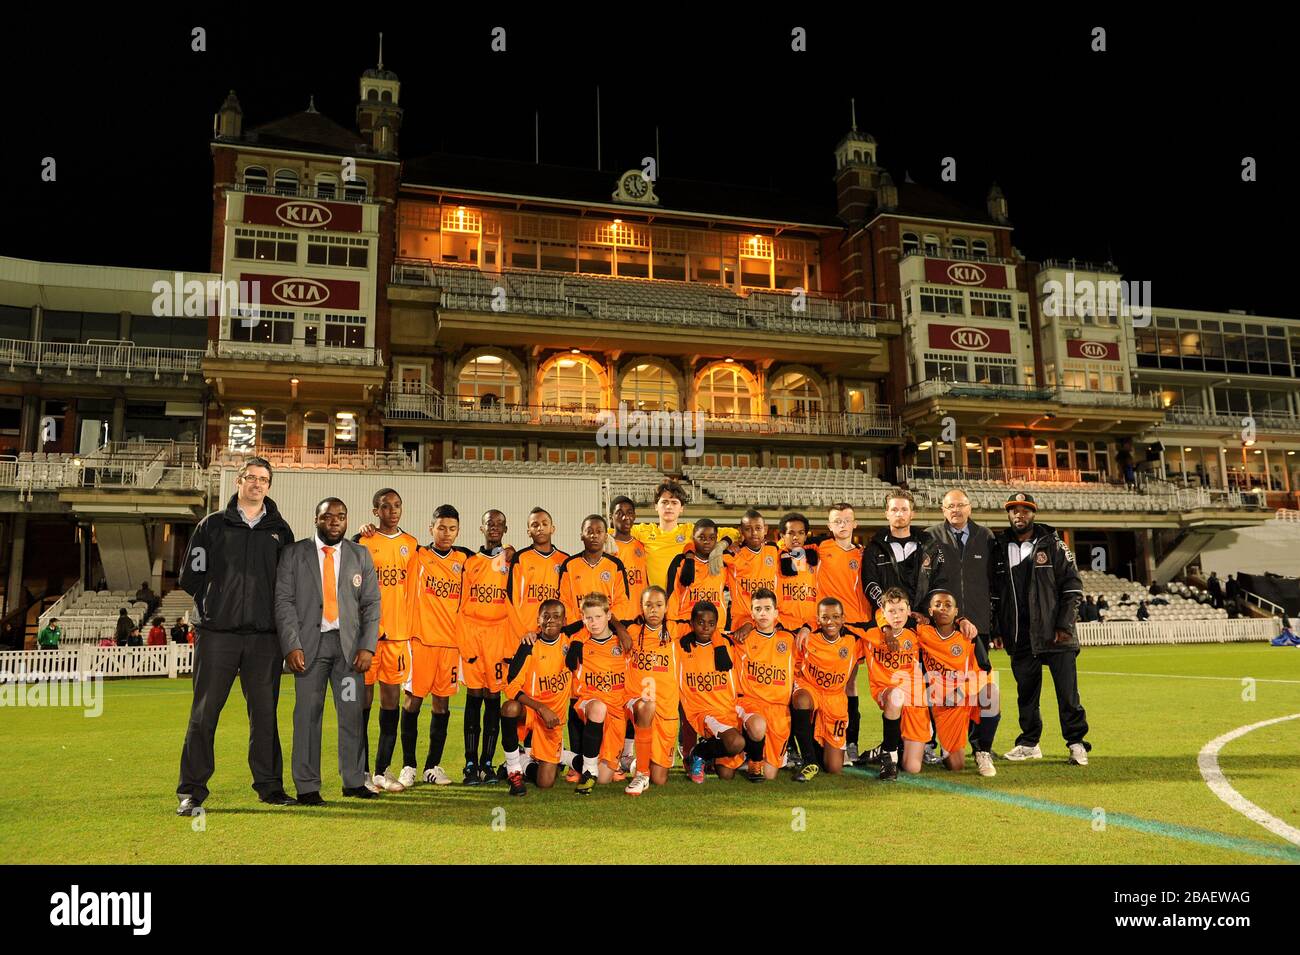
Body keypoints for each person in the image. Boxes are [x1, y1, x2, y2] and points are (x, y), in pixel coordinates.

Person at [176, 456, 295, 816]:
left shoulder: (280, 530)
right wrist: (216, 606)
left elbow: (287, 586)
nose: (257, 484)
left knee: (264, 715)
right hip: (218, 635)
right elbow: (190, 577)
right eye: (251, 478)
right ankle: (192, 791)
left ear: (269, 486)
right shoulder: (211, 526)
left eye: (263, 479)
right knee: (204, 714)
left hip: (264, 639)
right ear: (238, 482)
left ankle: (270, 787)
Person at [275, 497, 383, 804]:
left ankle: (353, 780)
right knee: (308, 716)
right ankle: (307, 787)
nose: (334, 521)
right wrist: (291, 645)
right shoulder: (294, 554)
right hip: (310, 650)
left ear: (347, 521)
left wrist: (366, 646)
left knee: (350, 713)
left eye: (341, 516)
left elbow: (372, 603)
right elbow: (283, 602)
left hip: (348, 653)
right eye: (327, 516)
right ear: (316, 519)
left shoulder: (360, 555)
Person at [991, 492, 1090, 766]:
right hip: (1020, 635)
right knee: (1027, 695)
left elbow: (1072, 588)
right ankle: (1029, 743)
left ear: (1033, 514)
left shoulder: (1055, 545)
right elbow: (995, 594)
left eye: (1024, 511)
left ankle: (1076, 742)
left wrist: (1064, 624)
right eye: (1014, 511)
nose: (1019, 516)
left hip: (1055, 634)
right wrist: (998, 628)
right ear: (1008, 514)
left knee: (1068, 694)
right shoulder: (998, 547)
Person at [351, 488, 420, 794]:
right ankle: (361, 770)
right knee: (362, 701)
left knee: (390, 701)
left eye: (397, 505)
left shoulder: (411, 544)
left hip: (398, 636)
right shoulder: (362, 541)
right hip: (367, 636)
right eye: (385, 506)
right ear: (374, 510)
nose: (392, 510)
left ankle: (381, 770)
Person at [402, 504, 474, 786]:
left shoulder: (465, 559)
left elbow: (494, 562)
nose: (446, 533)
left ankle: (433, 766)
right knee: (412, 702)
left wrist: (506, 553)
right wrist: (365, 532)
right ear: (430, 528)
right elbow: (390, 540)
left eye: (452, 529)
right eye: (441, 527)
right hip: (421, 642)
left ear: (458, 531)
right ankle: (409, 765)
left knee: (441, 706)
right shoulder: (418, 554)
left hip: (450, 646)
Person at [456, 509, 517, 785]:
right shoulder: (471, 562)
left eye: (499, 524)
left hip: (498, 637)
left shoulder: (511, 561)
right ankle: (470, 764)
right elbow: (462, 606)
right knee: (474, 695)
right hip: (474, 636)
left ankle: (488, 764)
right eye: (489, 523)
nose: (494, 527)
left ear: (505, 529)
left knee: (494, 697)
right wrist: (465, 642)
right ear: (481, 528)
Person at [676, 601, 765, 783]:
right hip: (707, 711)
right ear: (691, 623)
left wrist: (742, 628)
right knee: (735, 744)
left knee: (758, 727)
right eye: (700, 623)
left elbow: (752, 625)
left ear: (717, 625)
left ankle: (754, 761)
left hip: (732, 705)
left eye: (711, 624)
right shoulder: (680, 647)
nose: (706, 628)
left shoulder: (726, 643)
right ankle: (699, 753)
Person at [917, 588, 1000, 776]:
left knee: (991, 692)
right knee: (955, 765)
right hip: (944, 706)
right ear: (930, 611)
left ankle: (983, 751)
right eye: (937, 605)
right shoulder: (922, 633)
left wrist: (961, 693)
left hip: (964, 696)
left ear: (956, 612)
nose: (943, 608)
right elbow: (894, 614)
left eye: (948, 605)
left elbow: (984, 671)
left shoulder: (968, 636)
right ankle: (948, 747)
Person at [726, 588, 802, 781]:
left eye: (768, 608)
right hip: (751, 704)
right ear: (751, 613)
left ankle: (748, 754)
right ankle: (753, 758)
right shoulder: (742, 639)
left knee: (770, 775)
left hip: (779, 710)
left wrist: (807, 629)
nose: (763, 613)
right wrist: (746, 626)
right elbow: (715, 635)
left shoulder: (790, 640)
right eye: (758, 609)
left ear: (776, 613)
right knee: (758, 726)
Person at [501, 600, 577, 793]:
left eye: (556, 616)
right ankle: (513, 770)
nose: (550, 620)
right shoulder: (528, 645)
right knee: (509, 708)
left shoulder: (571, 642)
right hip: (531, 711)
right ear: (538, 620)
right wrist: (540, 708)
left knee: (545, 782)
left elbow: (597, 620)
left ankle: (525, 759)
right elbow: (511, 687)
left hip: (552, 719)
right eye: (546, 616)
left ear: (564, 621)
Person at [790, 597, 863, 781]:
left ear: (843, 618)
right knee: (801, 700)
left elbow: (873, 627)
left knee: (833, 767)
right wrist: (807, 626)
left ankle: (817, 748)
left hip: (835, 699)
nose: (831, 622)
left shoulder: (854, 640)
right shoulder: (808, 638)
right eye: (825, 618)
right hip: (811, 689)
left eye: (836, 617)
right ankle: (809, 761)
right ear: (818, 619)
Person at [569, 592, 631, 793]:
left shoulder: (622, 643)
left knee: (604, 779)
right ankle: (588, 772)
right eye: (588, 618)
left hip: (616, 712)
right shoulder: (579, 644)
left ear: (608, 615)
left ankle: (561, 757)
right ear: (582, 618)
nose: (593, 622)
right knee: (598, 707)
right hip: (590, 703)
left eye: (598, 617)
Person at [620, 585, 677, 795]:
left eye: (659, 605)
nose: (654, 610)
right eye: (648, 605)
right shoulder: (632, 631)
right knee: (647, 704)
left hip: (666, 709)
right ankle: (641, 773)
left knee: (660, 779)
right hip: (637, 701)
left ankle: (635, 763)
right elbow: (608, 619)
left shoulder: (676, 631)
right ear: (641, 608)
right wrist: (620, 630)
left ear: (667, 608)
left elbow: (709, 627)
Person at [724, 509, 782, 634]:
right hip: (742, 622)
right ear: (741, 531)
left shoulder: (773, 550)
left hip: (769, 621)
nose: (754, 533)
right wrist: (726, 543)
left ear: (765, 529)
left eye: (758, 528)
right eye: (748, 529)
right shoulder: (732, 555)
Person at [607, 496, 649, 612]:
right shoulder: (606, 547)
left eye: (629, 513)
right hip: (615, 617)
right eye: (620, 513)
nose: (626, 517)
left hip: (639, 617)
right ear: (611, 518)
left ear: (634, 516)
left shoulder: (642, 546)